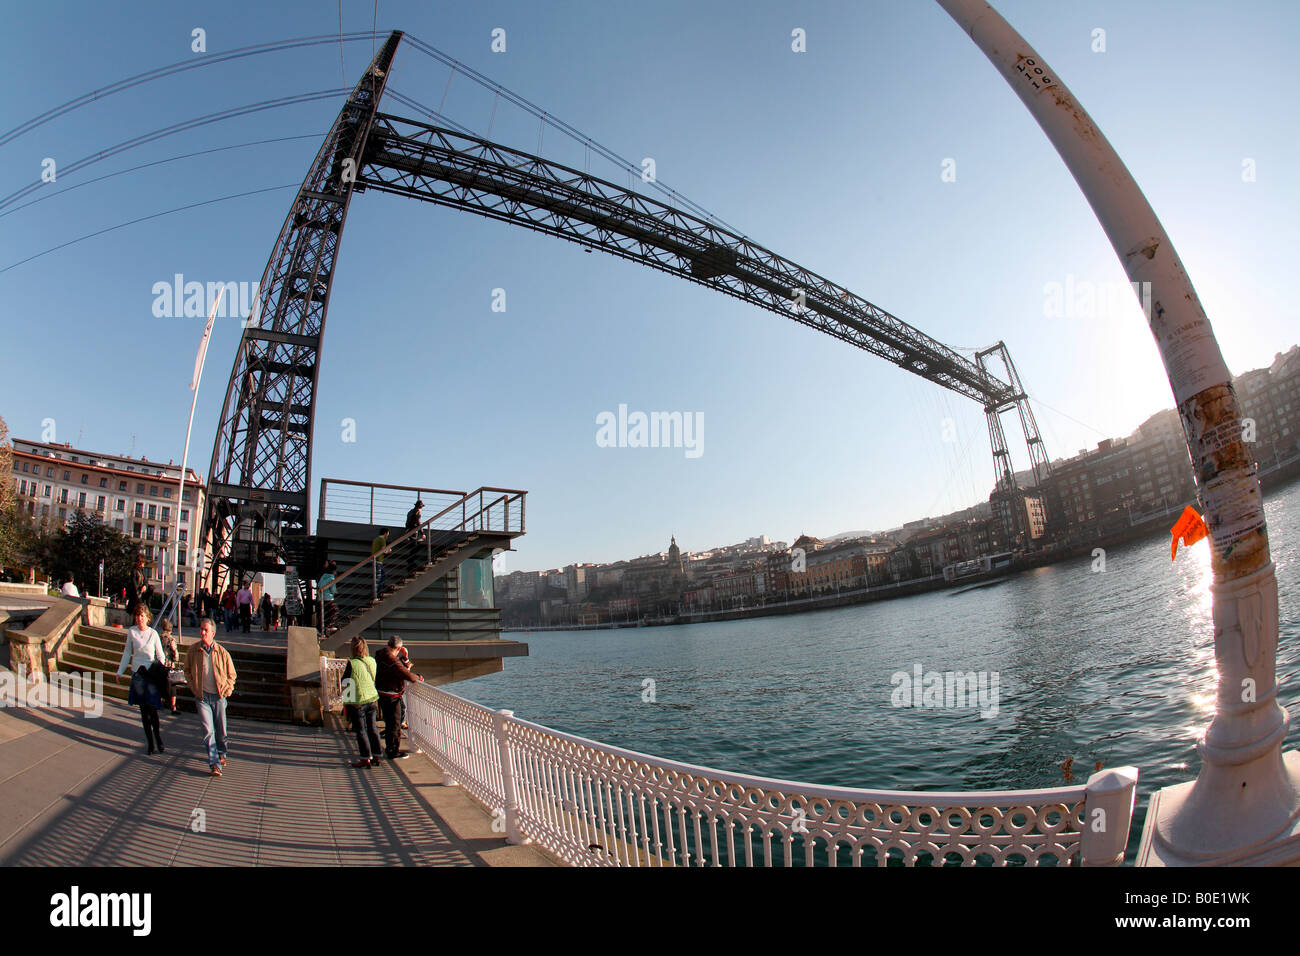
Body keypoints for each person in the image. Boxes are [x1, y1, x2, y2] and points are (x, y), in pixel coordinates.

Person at [184, 617, 238, 776]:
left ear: (213, 633)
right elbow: (187, 670)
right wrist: (193, 687)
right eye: (201, 629)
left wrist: (228, 689)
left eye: (206, 630)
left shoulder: (222, 652)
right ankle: (214, 763)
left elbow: (232, 674)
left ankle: (222, 753)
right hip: (202, 697)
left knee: (221, 730)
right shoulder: (193, 650)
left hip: (219, 696)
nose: (202, 632)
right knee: (208, 731)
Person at [115, 605, 169, 755]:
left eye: (142, 616)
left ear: (147, 617)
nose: (140, 618)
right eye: (137, 615)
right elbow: (127, 652)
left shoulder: (153, 634)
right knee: (144, 712)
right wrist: (120, 671)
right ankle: (150, 744)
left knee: (153, 710)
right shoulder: (132, 632)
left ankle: (158, 738)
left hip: (150, 675)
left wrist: (160, 669)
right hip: (138, 675)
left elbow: (161, 655)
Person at [375, 636, 424, 759]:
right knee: (395, 725)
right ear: (399, 647)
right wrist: (419, 678)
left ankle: (390, 747)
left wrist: (405, 657)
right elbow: (408, 675)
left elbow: (401, 667)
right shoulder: (393, 661)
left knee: (390, 723)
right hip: (392, 696)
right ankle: (393, 751)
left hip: (381, 693)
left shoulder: (380, 655)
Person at [341, 636, 381, 768]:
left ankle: (365, 758)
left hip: (358, 701)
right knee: (373, 728)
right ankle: (377, 755)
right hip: (372, 698)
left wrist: (346, 701)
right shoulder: (372, 661)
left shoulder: (352, 663)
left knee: (361, 730)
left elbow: (345, 682)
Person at [157, 617, 181, 714]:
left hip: (159, 664)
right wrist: (176, 659)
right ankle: (173, 707)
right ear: (170, 630)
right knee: (172, 687)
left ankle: (158, 703)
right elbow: (175, 654)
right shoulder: (171, 639)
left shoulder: (158, 637)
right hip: (169, 665)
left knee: (159, 684)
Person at [317, 561, 339, 634]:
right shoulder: (331, 578)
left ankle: (320, 629)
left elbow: (319, 585)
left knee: (323, 614)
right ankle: (329, 626)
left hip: (321, 598)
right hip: (328, 598)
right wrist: (335, 592)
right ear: (333, 571)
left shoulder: (323, 576)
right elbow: (333, 589)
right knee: (334, 610)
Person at [370, 528, 390, 598]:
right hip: (378, 561)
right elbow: (383, 550)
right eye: (388, 533)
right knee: (379, 578)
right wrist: (389, 550)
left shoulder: (376, 539)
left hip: (374, 561)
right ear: (385, 533)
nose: (388, 535)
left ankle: (377, 592)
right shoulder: (382, 540)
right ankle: (377, 593)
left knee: (381, 576)